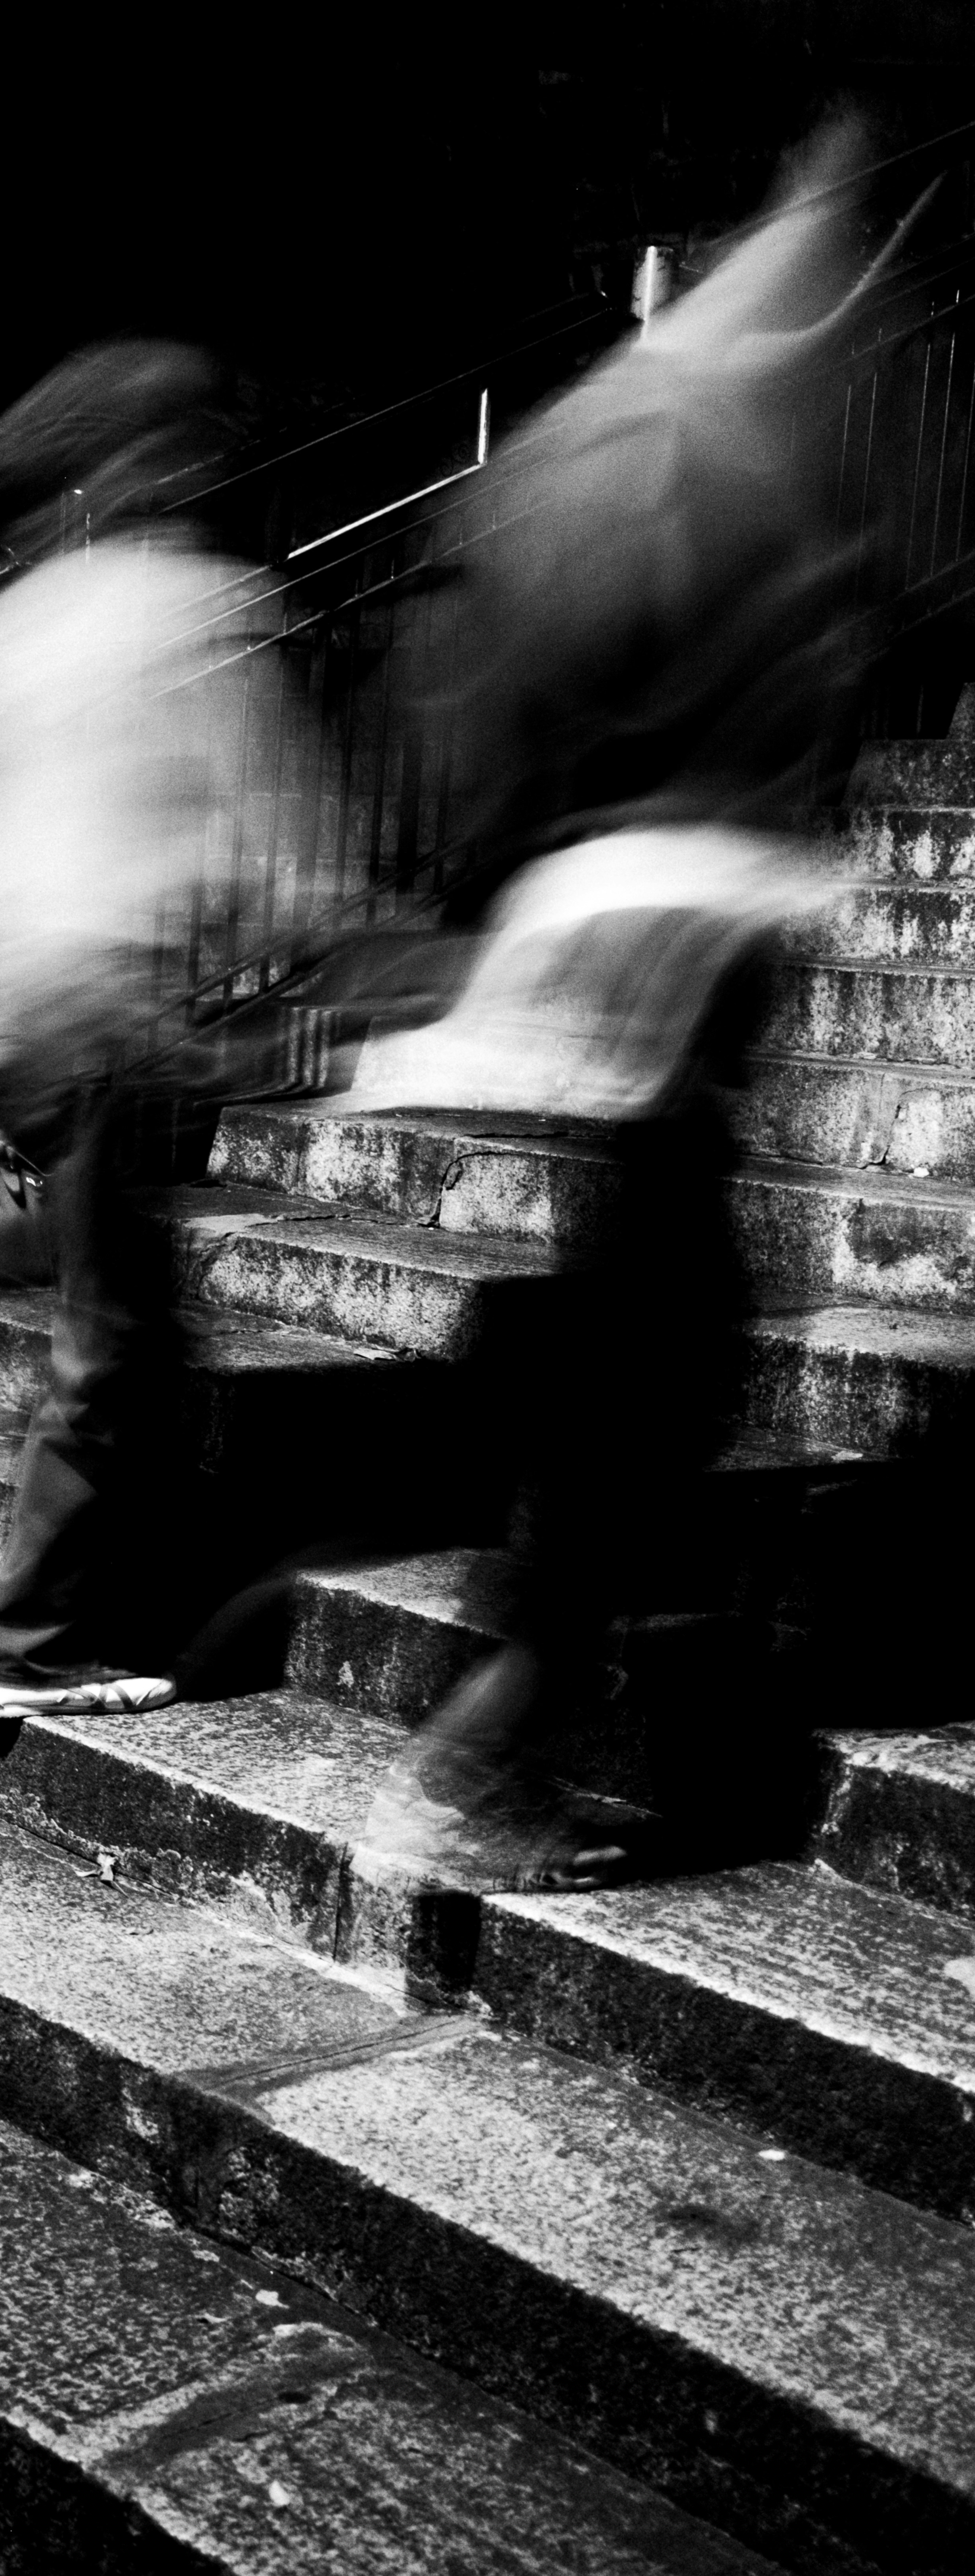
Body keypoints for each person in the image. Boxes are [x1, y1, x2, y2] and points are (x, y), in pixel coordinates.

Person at [354, 130, 895, 1892]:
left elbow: (472, 685)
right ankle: (479, 1747)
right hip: (662, 931)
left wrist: (489, 887)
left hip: (592, 930)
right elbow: (744, 688)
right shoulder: (690, 449)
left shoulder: (567, 453)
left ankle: (511, 1698)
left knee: (635, 1313)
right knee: (653, 1338)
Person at [0, 343, 271, 1720]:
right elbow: (263, 831)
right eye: (198, 447)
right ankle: (36, 1648)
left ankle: (77, 1584)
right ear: (159, 460)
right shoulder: (192, 609)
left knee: (119, 1321)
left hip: (11, 1007)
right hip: (107, 1002)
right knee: (114, 1339)